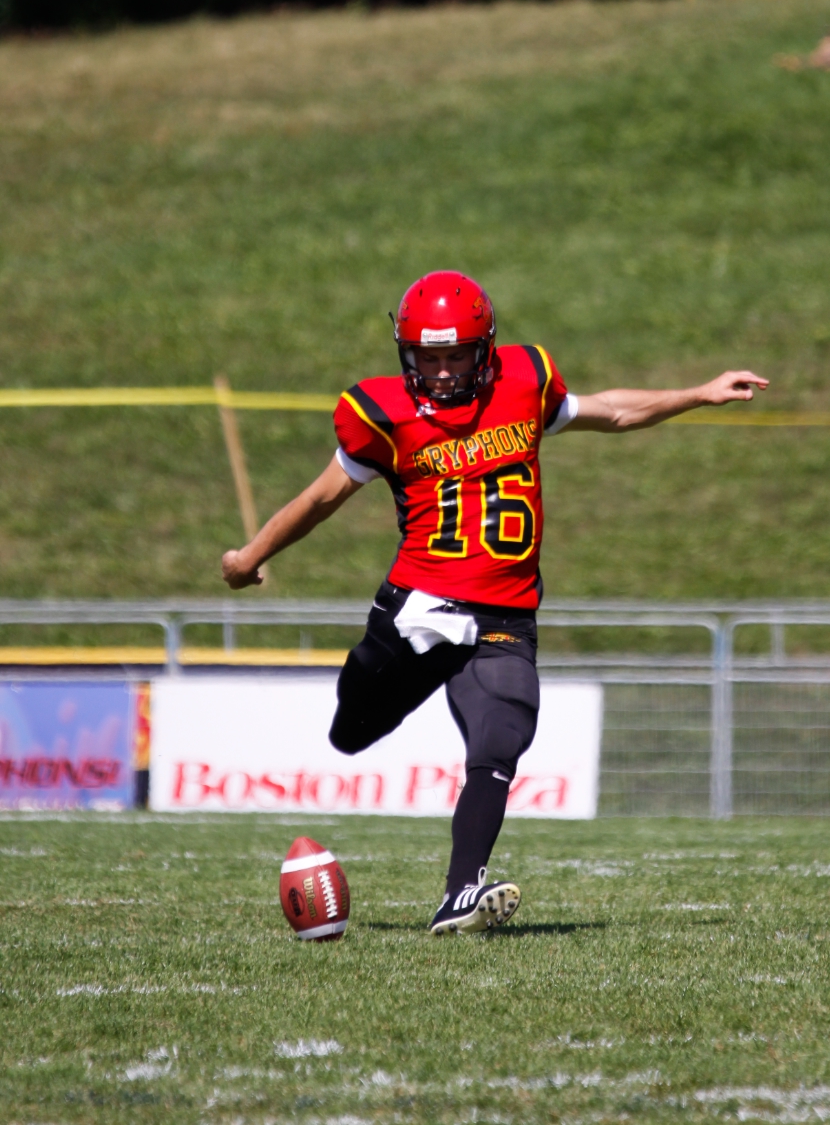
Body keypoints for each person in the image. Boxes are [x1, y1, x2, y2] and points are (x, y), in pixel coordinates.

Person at [221, 270, 768, 935]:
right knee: (351, 733)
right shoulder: (383, 414)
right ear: (407, 354)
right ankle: (378, 696)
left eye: (455, 355)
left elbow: (613, 410)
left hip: (505, 615)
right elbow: (320, 499)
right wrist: (252, 556)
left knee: (502, 737)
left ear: (484, 350)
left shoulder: (524, 381)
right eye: (429, 356)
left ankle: (460, 894)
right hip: (419, 608)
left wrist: (699, 394)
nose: (444, 371)